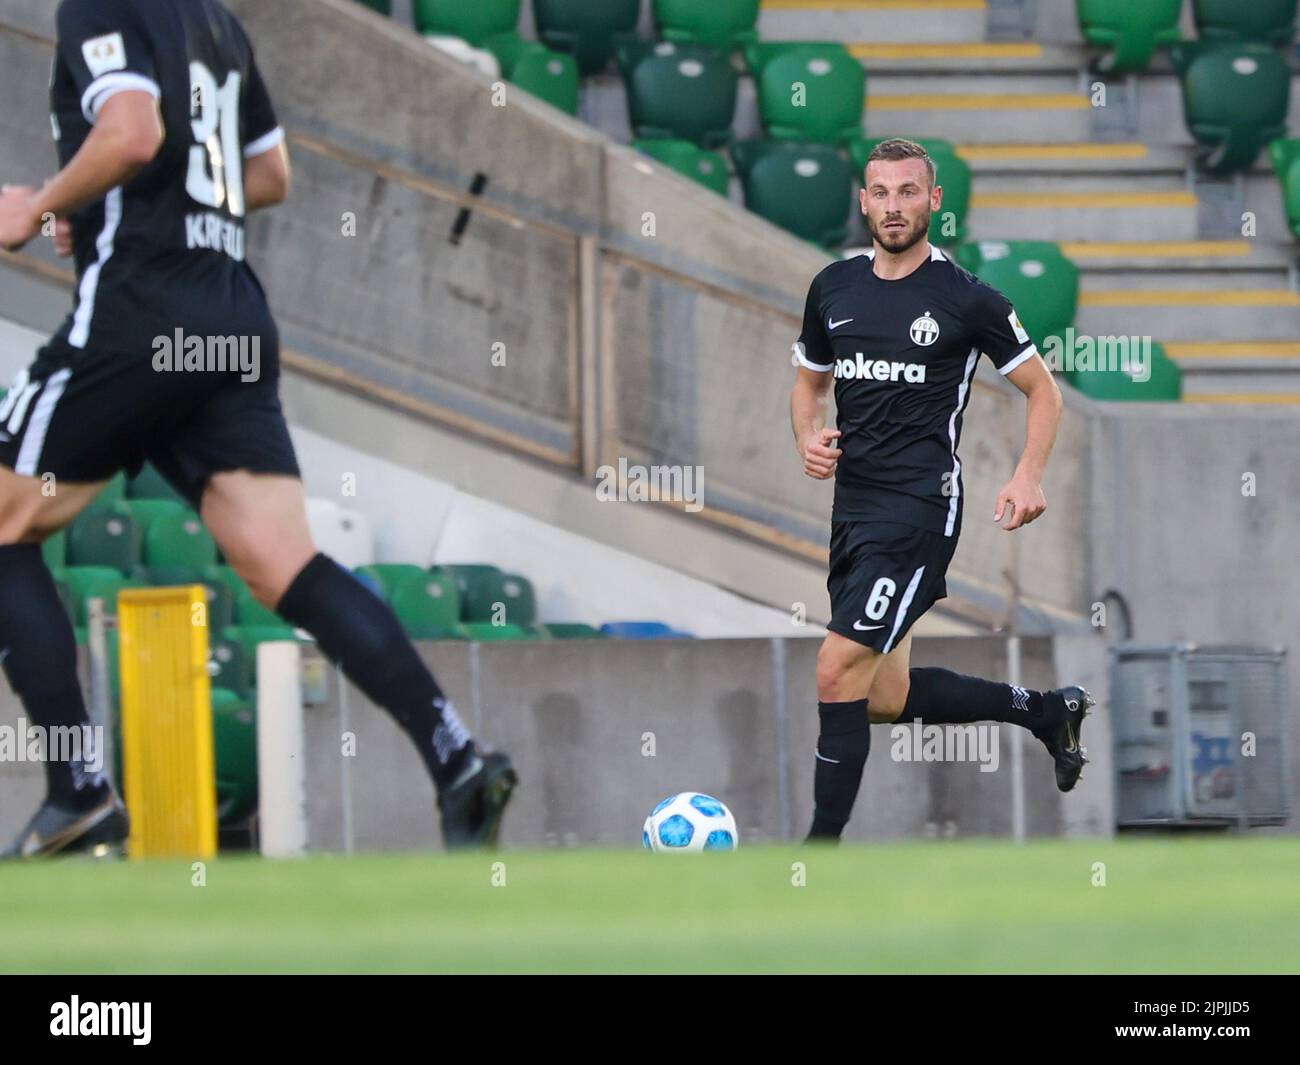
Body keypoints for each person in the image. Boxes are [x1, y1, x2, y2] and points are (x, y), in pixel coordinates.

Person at [0, 0, 514, 858]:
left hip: (143, 307)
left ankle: (78, 787)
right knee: (287, 565)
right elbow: (269, 174)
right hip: (229, 311)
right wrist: (93, 208)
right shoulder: (216, 22)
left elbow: (130, 134)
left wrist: (41, 204)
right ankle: (456, 756)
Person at [790, 138, 1093, 843]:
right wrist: (807, 433)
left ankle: (815, 856)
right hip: (853, 513)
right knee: (880, 698)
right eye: (880, 192)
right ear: (863, 201)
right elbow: (809, 378)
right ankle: (1047, 710)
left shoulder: (966, 298)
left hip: (920, 511)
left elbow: (1042, 390)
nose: (893, 206)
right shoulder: (832, 286)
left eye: (907, 192)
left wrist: (1027, 473)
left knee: (836, 668)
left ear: (934, 201)